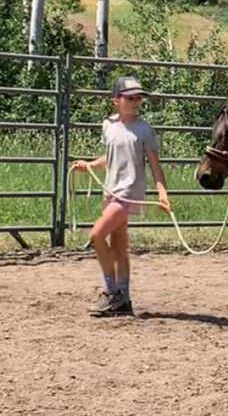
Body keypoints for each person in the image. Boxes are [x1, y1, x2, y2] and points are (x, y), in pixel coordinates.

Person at [72, 76, 171, 317]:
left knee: (96, 235)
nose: (135, 102)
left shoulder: (144, 129)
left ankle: (112, 292)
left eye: (138, 98)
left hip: (129, 193)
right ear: (116, 100)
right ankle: (123, 299)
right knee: (118, 245)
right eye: (130, 98)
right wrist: (91, 165)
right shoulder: (109, 126)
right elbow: (111, 156)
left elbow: (155, 165)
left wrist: (162, 192)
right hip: (111, 190)